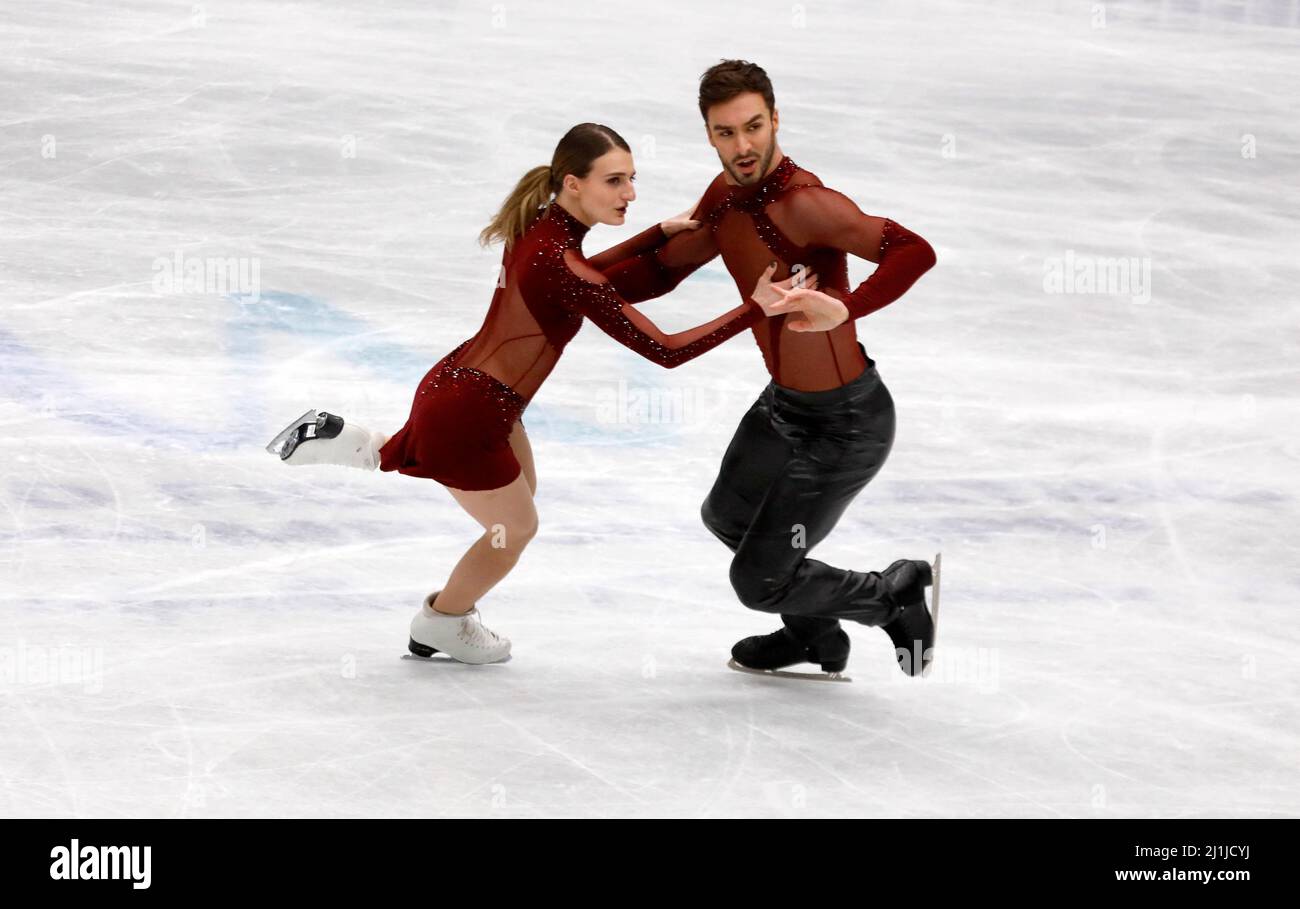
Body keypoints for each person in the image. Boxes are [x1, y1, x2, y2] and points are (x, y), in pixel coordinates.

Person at [265, 122, 823, 666]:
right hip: (474, 410)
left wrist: (656, 235)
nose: (629, 193)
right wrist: (757, 308)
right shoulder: (566, 263)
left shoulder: (543, 229)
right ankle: (442, 620)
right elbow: (666, 350)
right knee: (515, 529)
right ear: (573, 183)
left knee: (520, 500)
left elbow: (592, 272)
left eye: (631, 178)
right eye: (614, 181)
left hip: (465, 391)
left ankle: (356, 443)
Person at [591, 62, 940, 678]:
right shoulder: (723, 200)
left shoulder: (807, 204)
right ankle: (815, 639)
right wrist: (567, 278)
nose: (743, 145)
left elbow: (914, 250)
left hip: (847, 423)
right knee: (727, 517)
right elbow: (664, 270)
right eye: (725, 133)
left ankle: (892, 595)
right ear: (708, 134)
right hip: (785, 407)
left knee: (757, 580)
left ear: (775, 120)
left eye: (754, 127)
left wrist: (847, 307)